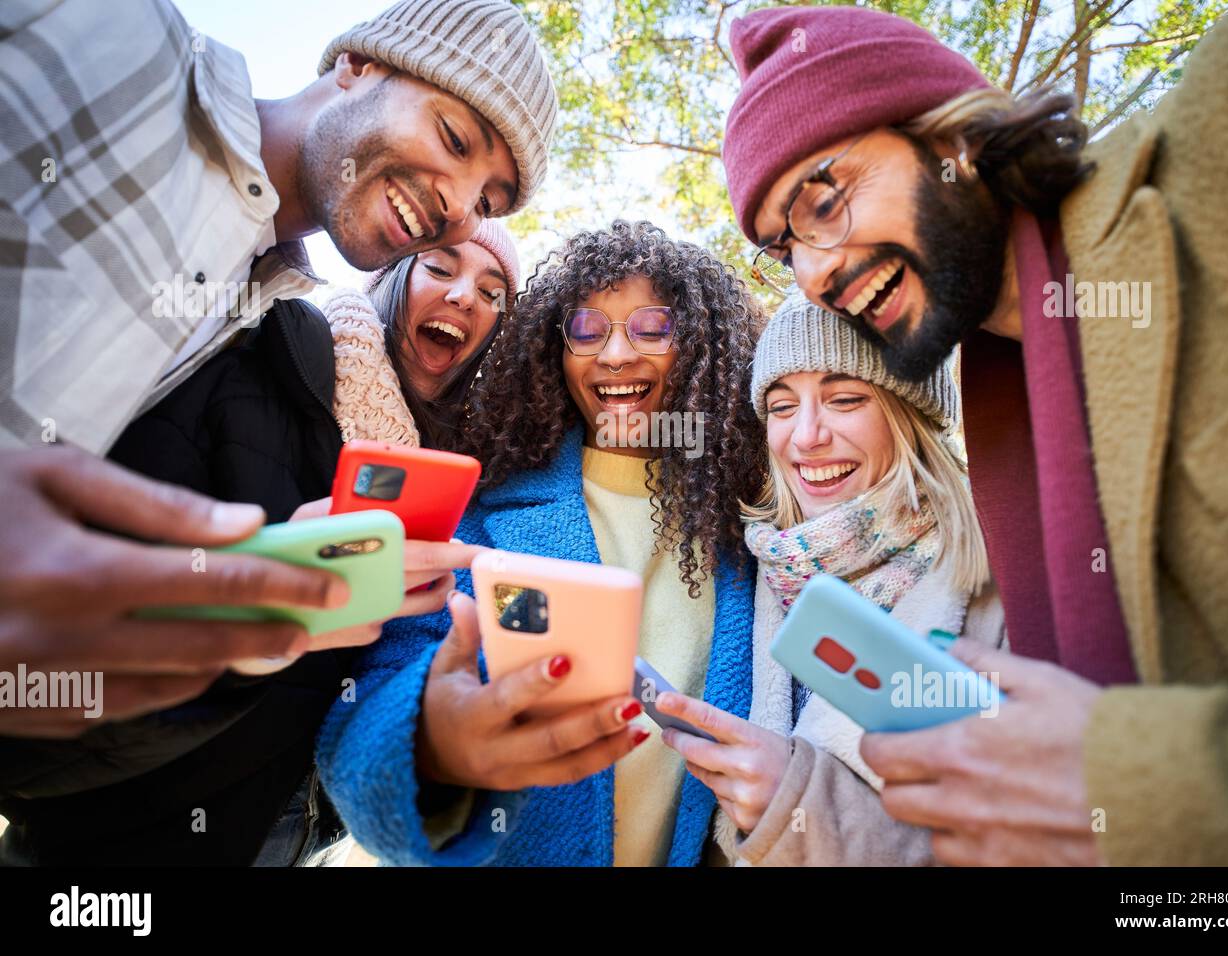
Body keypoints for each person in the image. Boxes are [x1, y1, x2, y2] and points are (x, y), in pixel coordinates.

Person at [720, 0, 1228, 864]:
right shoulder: (1001, 405)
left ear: (949, 138)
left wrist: (1151, 781)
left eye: (825, 200)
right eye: (782, 247)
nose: (813, 274)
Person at [0, 0, 556, 737]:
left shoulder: (253, 299)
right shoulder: (111, 29)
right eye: (455, 138)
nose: (458, 205)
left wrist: (261, 607)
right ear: (358, 65)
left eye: (489, 200)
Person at [0, 222, 522, 866]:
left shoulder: (464, 478)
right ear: (390, 281)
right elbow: (52, 667)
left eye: (493, 291)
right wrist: (257, 606)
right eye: (440, 269)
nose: (467, 295)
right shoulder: (258, 364)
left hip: (295, 835)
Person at [317, 220, 767, 866]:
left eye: (651, 328)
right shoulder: (480, 515)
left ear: (698, 347)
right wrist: (434, 746)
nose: (614, 354)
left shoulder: (743, 537)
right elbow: (360, 714)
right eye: (587, 329)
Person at [655, 292, 1004, 866]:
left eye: (844, 399)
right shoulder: (762, 572)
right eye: (782, 406)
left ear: (909, 414)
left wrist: (798, 803)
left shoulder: (996, 584)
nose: (807, 436)